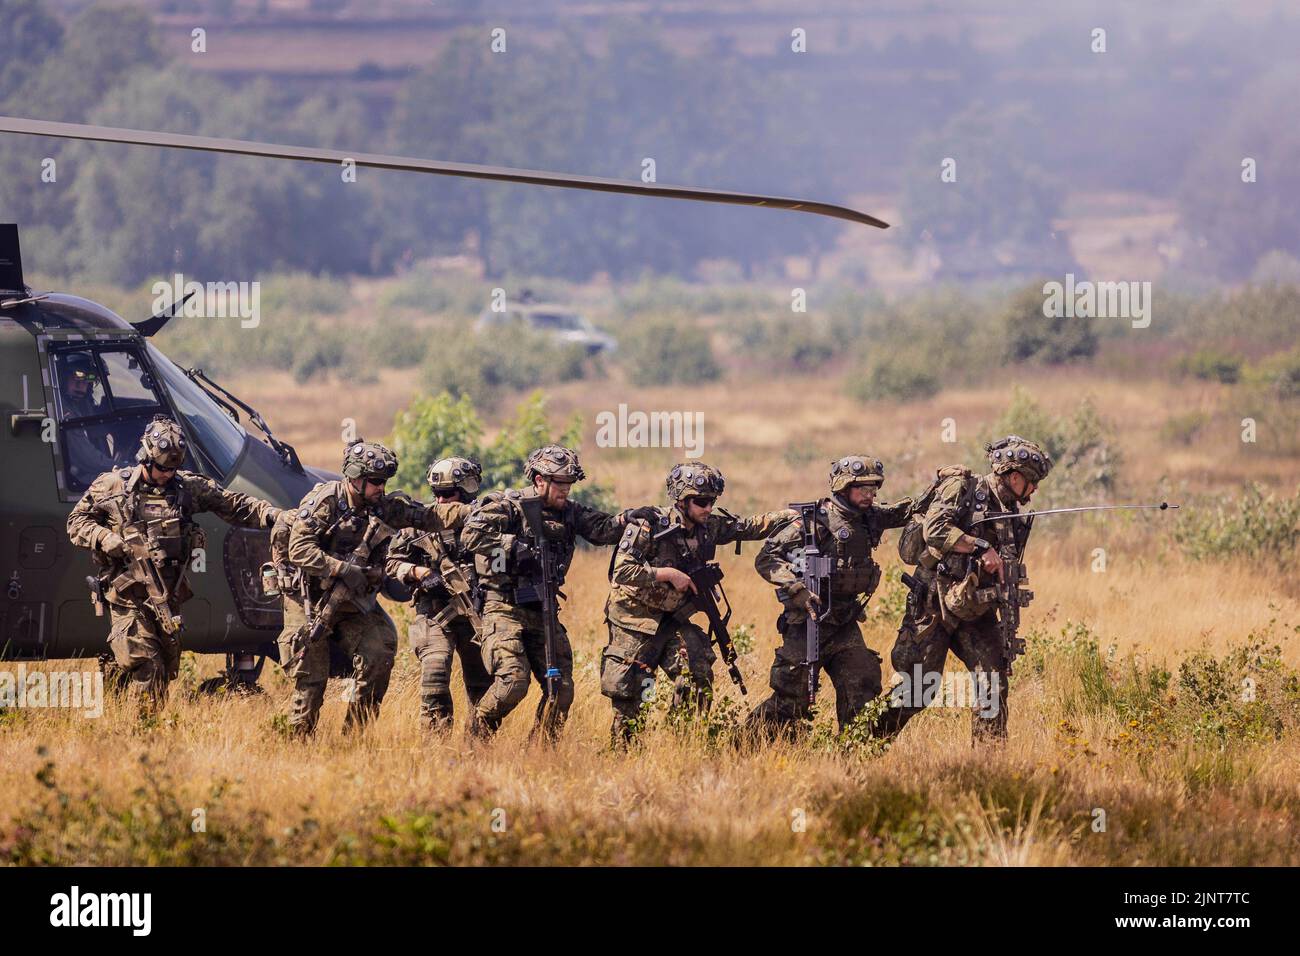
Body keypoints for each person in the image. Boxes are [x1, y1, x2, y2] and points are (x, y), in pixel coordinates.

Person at [67, 415, 281, 717]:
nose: (167, 474)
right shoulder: (113, 486)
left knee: (165, 668)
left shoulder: (187, 489)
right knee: (148, 665)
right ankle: (143, 734)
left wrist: (273, 515)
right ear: (145, 455)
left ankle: (113, 699)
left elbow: (234, 505)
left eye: (172, 468)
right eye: (161, 467)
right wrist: (104, 538)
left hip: (166, 596)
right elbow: (76, 521)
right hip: (126, 595)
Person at [276, 439, 471, 737]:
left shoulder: (384, 507)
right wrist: (342, 568)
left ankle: (353, 738)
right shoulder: (325, 503)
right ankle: (296, 744)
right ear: (355, 478)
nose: (381, 487)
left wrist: (473, 512)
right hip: (311, 600)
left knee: (380, 650)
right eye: (376, 482)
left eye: (384, 482)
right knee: (311, 679)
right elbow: (300, 550)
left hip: (353, 601)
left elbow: (429, 516)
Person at [601, 461, 793, 744]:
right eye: (701, 502)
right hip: (633, 619)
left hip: (672, 620)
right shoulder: (648, 525)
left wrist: (792, 515)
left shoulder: (708, 526)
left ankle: (684, 743)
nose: (708, 508)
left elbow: (749, 526)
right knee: (635, 691)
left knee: (697, 673)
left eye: (712, 502)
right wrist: (666, 574)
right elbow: (621, 571)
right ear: (681, 499)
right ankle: (624, 752)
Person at [878, 436, 1052, 743]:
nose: (1034, 489)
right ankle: (862, 745)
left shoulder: (1009, 510)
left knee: (993, 682)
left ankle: (987, 766)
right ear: (1014, 477)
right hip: (935, 604)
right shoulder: (962, 488)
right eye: (1032, 482)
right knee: (920, 689)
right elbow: (935, 530)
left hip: (975, 609)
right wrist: (980, 547)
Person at [747, 455, 912, 736]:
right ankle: (744, 744)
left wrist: (944, 486)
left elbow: (906, 511)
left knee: (863, 685)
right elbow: (766, 557)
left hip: (844, 624)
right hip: (807, 624)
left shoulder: (869, 517)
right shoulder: (815, 522)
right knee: (792, 698)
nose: (870, 495)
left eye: (874, 488)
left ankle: (851, 757)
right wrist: (796, 588)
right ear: (843, 487)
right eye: (863, 488)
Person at [385, 457, 492, 735]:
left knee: (482, 683)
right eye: (437, 494)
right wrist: (419, 572)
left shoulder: (484, 523)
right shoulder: (420, 523)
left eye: (449, 494)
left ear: (466, 492)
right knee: (435, 670)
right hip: (434, 614)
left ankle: (479, 742)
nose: (442, 501)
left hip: (475, 615)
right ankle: (436, 743)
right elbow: (392, 563)